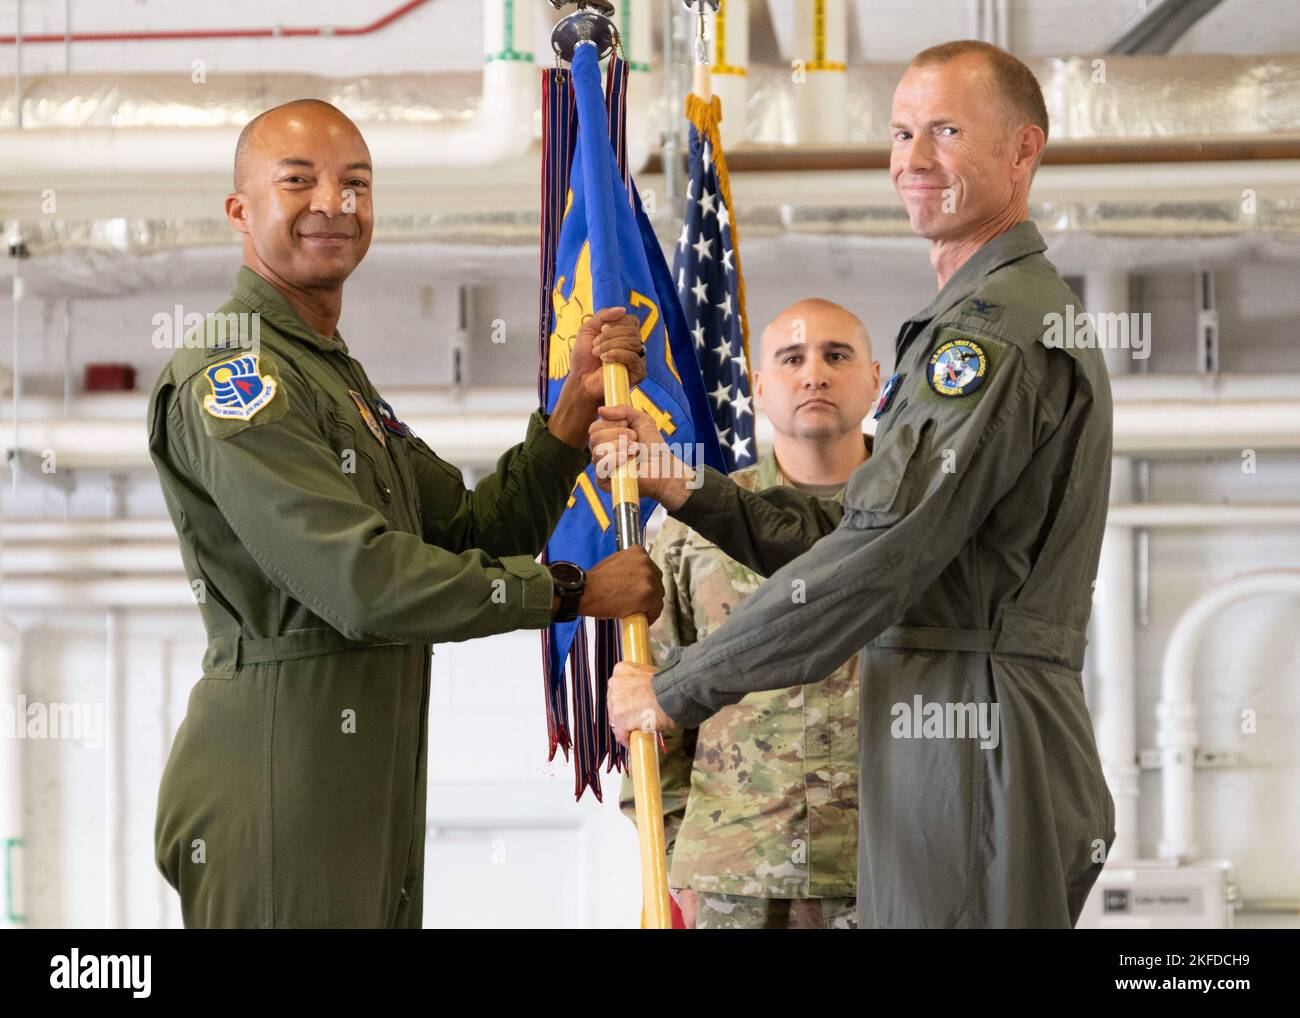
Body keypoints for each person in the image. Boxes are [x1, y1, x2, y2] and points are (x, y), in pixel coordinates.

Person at [598, 40, 1116, 928]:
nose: (914, 160)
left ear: (1024, 149)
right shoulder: (973, 316)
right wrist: (690, 490)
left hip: (973, 721)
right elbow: (862, 523)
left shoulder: (992, 333)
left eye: (948, 132)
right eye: (902, 132)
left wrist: (678, 688)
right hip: (946, 713)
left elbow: (877, 556)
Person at [148, 99, 663, 928]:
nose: (334, 203)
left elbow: (471, 534)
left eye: (357, 183)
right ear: (240, 211)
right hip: (284, 769)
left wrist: (567, 422)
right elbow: (360, 583)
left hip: (358, 774)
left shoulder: (330, 376)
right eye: (298, 181)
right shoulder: (237, 376)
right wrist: (571, 592)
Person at [618, 299, 879, 930]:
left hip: (885, 866)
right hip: (732, 874)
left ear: (875, 379)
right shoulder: (694, 528)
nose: (813, 373)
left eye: (835, 355)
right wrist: (683, 852)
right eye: (792, 358)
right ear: (759, 387)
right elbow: (647, 705)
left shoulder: (917, 524)